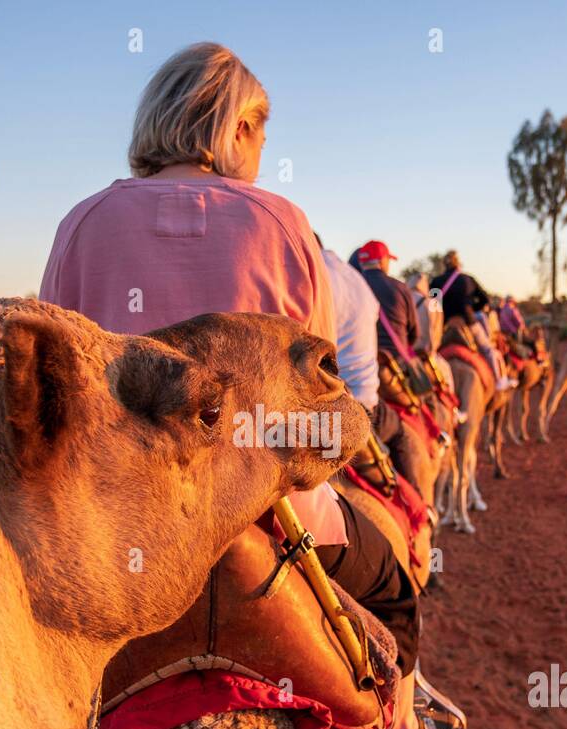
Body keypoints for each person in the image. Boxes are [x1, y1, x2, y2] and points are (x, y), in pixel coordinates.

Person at [38, 43, 421, 693]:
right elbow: (320, 415)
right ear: (239, 127)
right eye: (262, 133)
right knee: (397, 596)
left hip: (115, 527)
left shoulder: (82, 223)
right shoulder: (285, 223)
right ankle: (408, 728)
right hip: (271, 514)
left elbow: (53, 395)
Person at [315, 233, 400, 444]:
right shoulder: (390, 287)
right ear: (383, 261)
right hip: (369, 382)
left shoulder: (316, 275)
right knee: (404, 433)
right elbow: (418, 336)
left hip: (340, 388)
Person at [432, 250, 513, 388]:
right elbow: (485, 299)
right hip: (467, 322)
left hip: (444, 326)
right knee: (488, 350)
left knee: (430, 352)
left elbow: (432, 305)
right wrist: (471, 308)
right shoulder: (468, 279)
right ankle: (500, 381)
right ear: (458, 264)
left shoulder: (436, 281)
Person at [497, 294, 534, 361]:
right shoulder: (512, 310)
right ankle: (525, 359)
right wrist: (523, 327)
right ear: (512, 301)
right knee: (522, 345)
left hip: (503, 332)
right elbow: (519, 323)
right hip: (513, 333)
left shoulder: (502, 310)